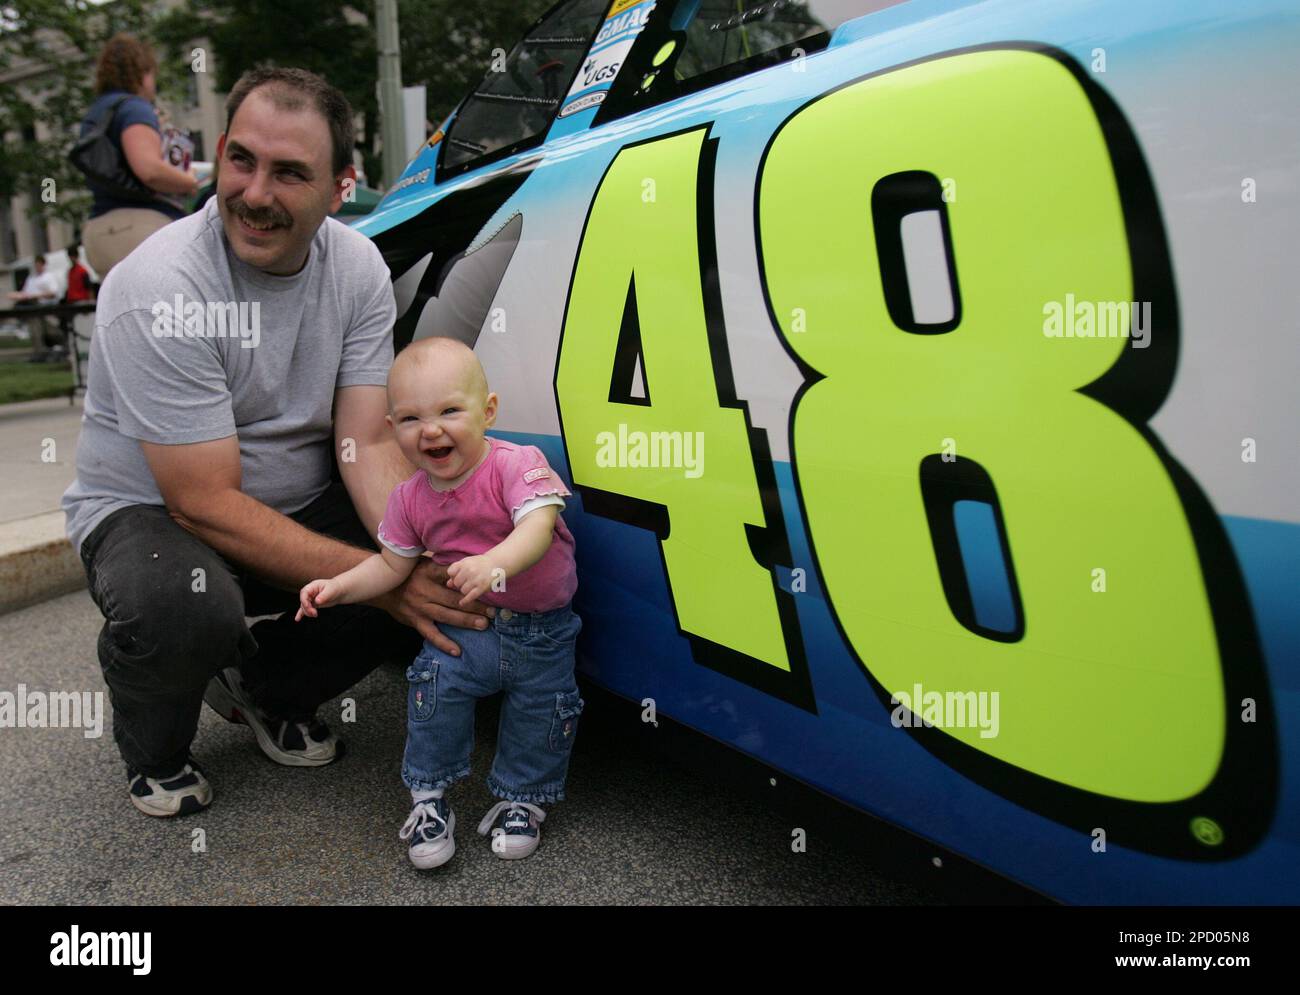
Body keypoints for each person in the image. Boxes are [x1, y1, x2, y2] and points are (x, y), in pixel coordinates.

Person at [62, 67, 491, 819]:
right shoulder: (161, 287)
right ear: (220, 152)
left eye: (290, 172)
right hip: (155, 514)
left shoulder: (356, 266)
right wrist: (384, 577)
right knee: (182, 605)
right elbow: (202, 503)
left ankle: (264, 688)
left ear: (338, 189)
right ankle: (155, 748)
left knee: (426, 540)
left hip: (285, 499)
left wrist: (426, 551)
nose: (256, 194)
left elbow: (363, 439)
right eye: (242, 161)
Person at [297, 337, 583, 867]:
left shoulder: (516, 464)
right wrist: (338, 586)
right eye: (410, 418)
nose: (431, 429)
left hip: (542, 630)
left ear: (488, 410)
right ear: (391, 429)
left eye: (450, 410)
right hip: (469, 628)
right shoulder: (409, 498)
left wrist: (494, 562)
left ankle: (524, 800)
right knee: (435, 695)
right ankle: (429, 800)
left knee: (540, 714)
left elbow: (538, 527)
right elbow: (390, 565)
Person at [79, 33, 198, 276]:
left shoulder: (97, 113)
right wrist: (189, 181)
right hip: (140, 229)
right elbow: (149, 170)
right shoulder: (134, 108)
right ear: (142, 72)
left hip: (99, 231)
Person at [6, 254, 60, 353]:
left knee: (51, 332)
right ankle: (39, 351)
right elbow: (25, 293)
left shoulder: (48, 277)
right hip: (33, 308)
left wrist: (36, 296)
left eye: (39, 265)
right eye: (36, 265)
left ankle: (54, 349)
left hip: (45, 308)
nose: (37, 267)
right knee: (35, 332)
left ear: (43, 264)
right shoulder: (31, 278)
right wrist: (15, 295)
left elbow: (53, 293)